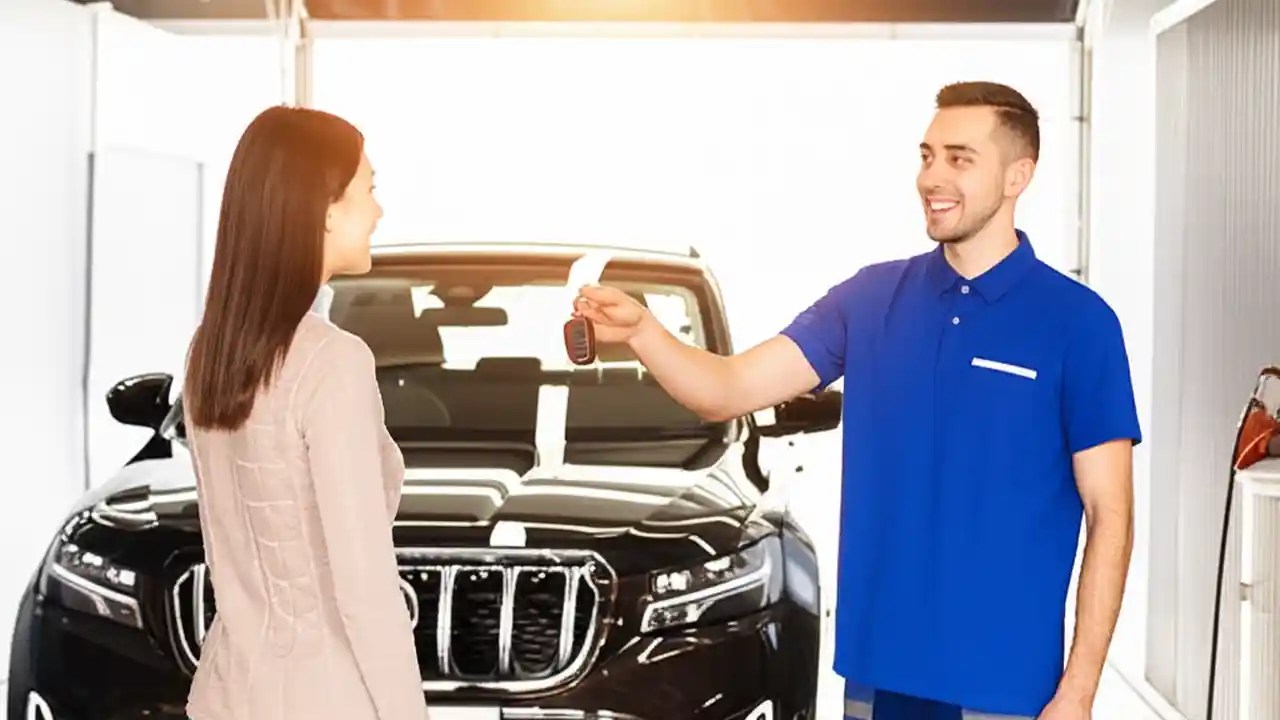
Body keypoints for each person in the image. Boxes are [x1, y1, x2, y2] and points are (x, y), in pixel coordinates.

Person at [574, 81, 1139, 720]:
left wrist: (1080, 689)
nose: (932, 177)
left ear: (1018, 176)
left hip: (1007, 686)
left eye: (960, 158)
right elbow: (724, 391)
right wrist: (644, 332)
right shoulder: (868, 300)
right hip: (878, 674)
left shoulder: (1078, 323)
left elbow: (1109, 511)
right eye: (926, 156)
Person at [182, 106, 429, 720]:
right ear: (322, 207)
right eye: (368, 190)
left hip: (224, 692)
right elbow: (365, 589)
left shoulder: (209, 349)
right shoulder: (332, 362)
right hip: (329, 698)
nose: (379, 211)